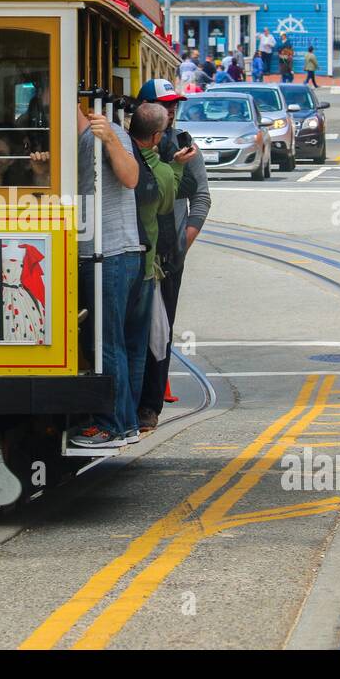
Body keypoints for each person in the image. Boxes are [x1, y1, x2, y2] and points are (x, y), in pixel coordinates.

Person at [70, 91, 143, 449]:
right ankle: (125, 423)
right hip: (96, 253)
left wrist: (112, 137)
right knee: (104, 341)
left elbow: (131, 178)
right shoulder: (73, 144)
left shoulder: (108, 131)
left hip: (112, 253)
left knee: (106, 343)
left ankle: (110, 424)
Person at [137, 91, 209, 432]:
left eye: (173, 106)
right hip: (133, 251)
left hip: (167, 257)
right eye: (163, 106)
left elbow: (202, 197)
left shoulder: (184, 144)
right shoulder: (131, 147)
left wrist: (183, 243)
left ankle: (149, 407)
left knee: (159, 332)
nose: (170, 112)